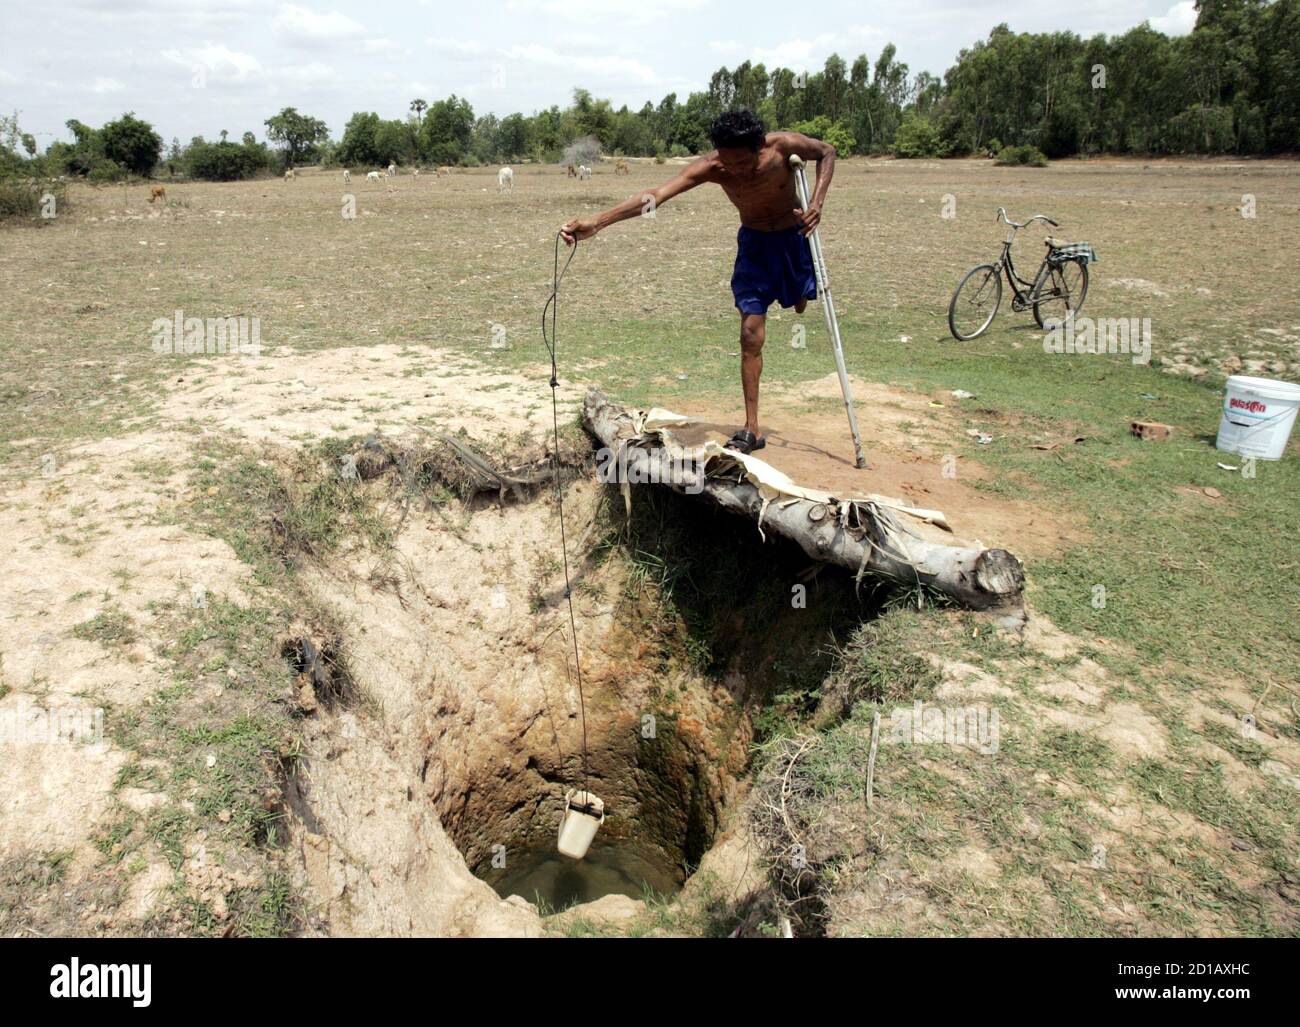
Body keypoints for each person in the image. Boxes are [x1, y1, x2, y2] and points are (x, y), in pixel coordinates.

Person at [560, 109, 836, 454]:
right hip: (754, 247)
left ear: (759, 146)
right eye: (727, 161)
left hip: (794, 237)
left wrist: (817, 203)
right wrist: (597, 223)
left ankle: (796, 294)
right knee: (750, 333)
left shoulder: (783, 147)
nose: (734, 170)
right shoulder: (713, 167)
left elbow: (827, 151)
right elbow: (655, 196)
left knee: (797, 303)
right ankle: (751, 427)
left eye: (742, 163)